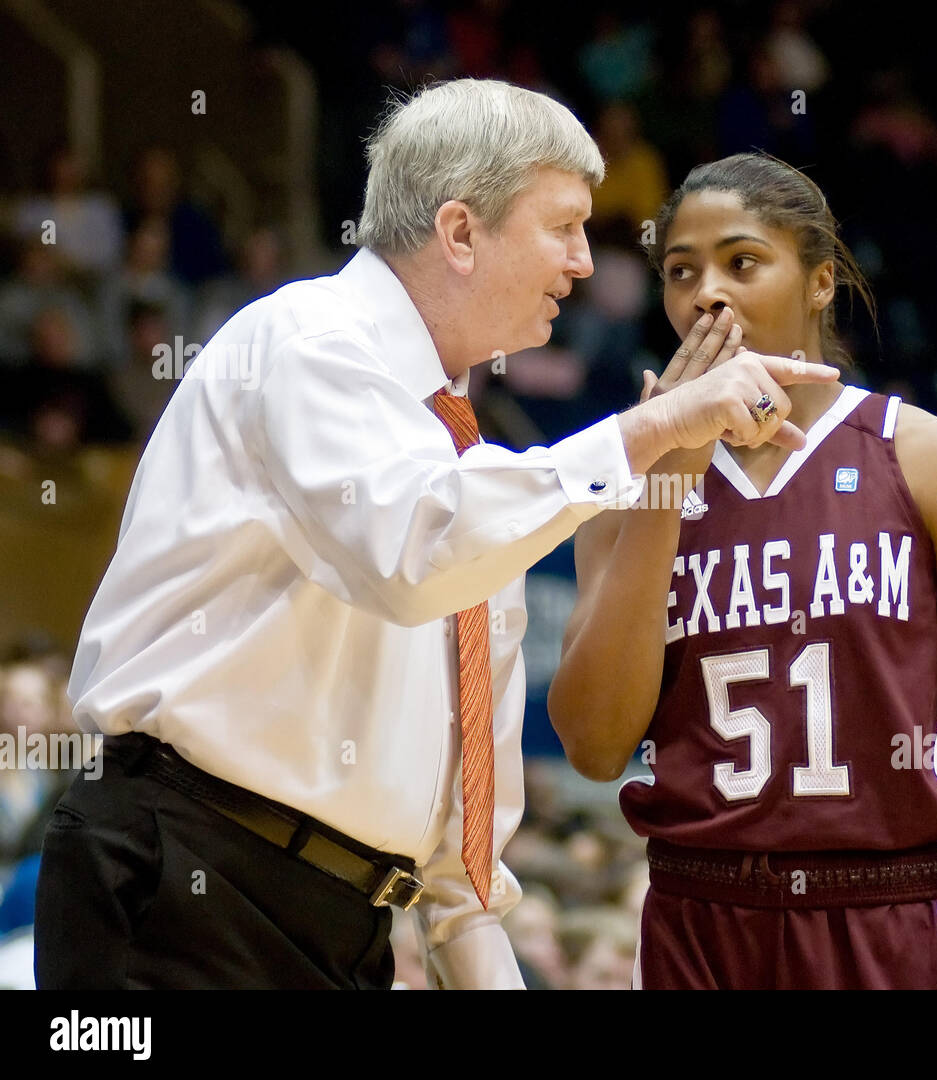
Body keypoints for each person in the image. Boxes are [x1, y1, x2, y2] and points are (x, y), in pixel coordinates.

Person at [33, 80, 838, 991]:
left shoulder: (474, 470)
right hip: (179, 873)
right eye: (563, 226)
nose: (583, 262)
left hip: (348, 921)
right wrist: (653, 431)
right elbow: (415, 554)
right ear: (460, 232)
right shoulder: (306, 342)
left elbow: (462, 867)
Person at [548, 153, 937, 990]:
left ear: (819, 283)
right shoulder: (623, 476)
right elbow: (595, 746)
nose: (707, 292)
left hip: (886, 909)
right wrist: (672, 471)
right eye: (680, 271)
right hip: (697, 919)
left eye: (742, 263)